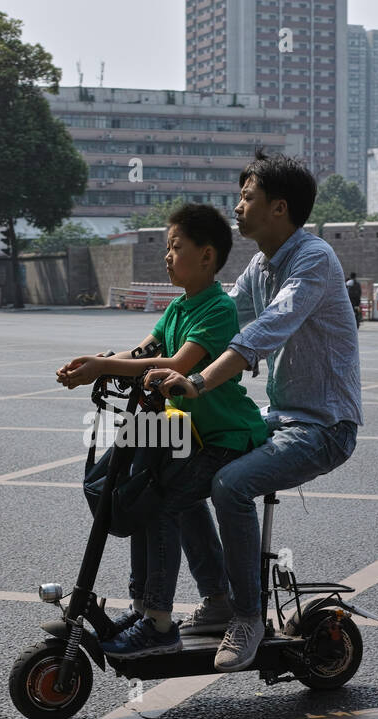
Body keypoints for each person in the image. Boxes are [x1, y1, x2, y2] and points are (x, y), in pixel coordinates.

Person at [149, 150, 362, 672]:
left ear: (280, 208)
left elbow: (262, 332)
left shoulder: (313, 259)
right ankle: (217, 598)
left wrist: (197, 381)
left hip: (324, 426)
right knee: (176, 474)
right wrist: (144, 355)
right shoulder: (262, 264)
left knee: (230, 485)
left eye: (247, 198)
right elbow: (225, 314)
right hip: (278, 416)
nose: (237, 208)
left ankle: (248, 615)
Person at [57, 204, 268, 658]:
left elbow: (177, 365)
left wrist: (104, 365)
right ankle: (207, 601)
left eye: (176, 248)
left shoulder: (217, 310)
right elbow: (143, 351)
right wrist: (94, 365)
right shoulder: (177, 308)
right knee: (149, 492)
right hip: (184, 435)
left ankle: (157, 619)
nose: (167, 257)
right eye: (168, 249)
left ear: (207, 256)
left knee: (158, 503)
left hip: (225, 438)